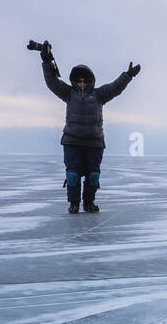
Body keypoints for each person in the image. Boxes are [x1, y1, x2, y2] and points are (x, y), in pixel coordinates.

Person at [35, 40, 139, 213]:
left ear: (90, 81)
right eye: (78, 81)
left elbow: (115, 87)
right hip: (72, 141)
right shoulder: (68, 93)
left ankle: (89, 203)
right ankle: (74, 203)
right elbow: (52, 82)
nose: (81, 84)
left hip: (94, 142)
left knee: (93, 175)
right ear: (74, 82)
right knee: (73, 175)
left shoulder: (99, 95)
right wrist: (46, 62)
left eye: (85, 81)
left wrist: (127, 76)